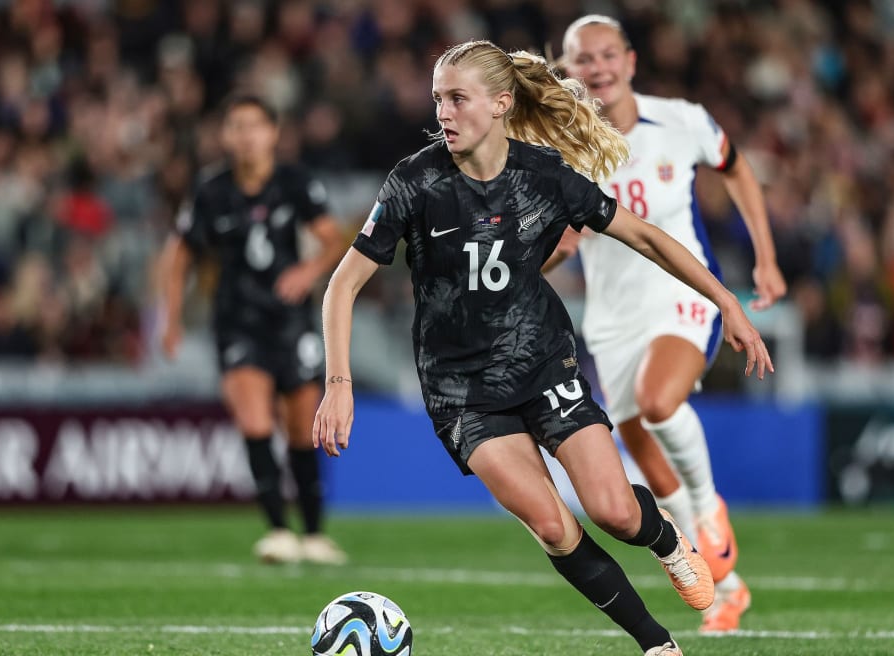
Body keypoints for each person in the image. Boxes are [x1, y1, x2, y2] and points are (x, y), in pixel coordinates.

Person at [312, 40, 773, 656]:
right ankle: (658, 646)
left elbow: (648, 238)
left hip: (543, 363)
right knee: (555, 526)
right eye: (437, 100)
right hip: (461, 390)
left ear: (501, 104)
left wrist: (727, 300)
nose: (443, 113)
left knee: (613, 511)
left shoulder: (544, 176)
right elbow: (342, 285)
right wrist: (337, 384)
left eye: (457, 98)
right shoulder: (415, 182)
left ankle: (664, 539)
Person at [555, 15, 789, 633]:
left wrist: (765, 257)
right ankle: (727, 586)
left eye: (608, 55)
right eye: (583, 59)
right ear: (566, 68)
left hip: (684, 298)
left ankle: (711, 511)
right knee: (652, 473)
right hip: (610, 320)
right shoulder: (562, 147)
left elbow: (736, 167)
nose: (597, 68)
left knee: (661, 403)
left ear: (631, 61)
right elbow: (563, 239)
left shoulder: (681, 120)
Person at [160, 94, 347, 565]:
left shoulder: (295, 182)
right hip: (238, 320)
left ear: (273, 133)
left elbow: (333, 240)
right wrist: (172, 318)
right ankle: (279, 530)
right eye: (236, 126)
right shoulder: (211, 190)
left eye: (254, 126)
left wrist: (307, 272)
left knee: (302, 432)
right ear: (225, 136)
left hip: (291, 321)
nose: (245, 136)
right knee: (255, 422)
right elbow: (179, 253)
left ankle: (315, 534)